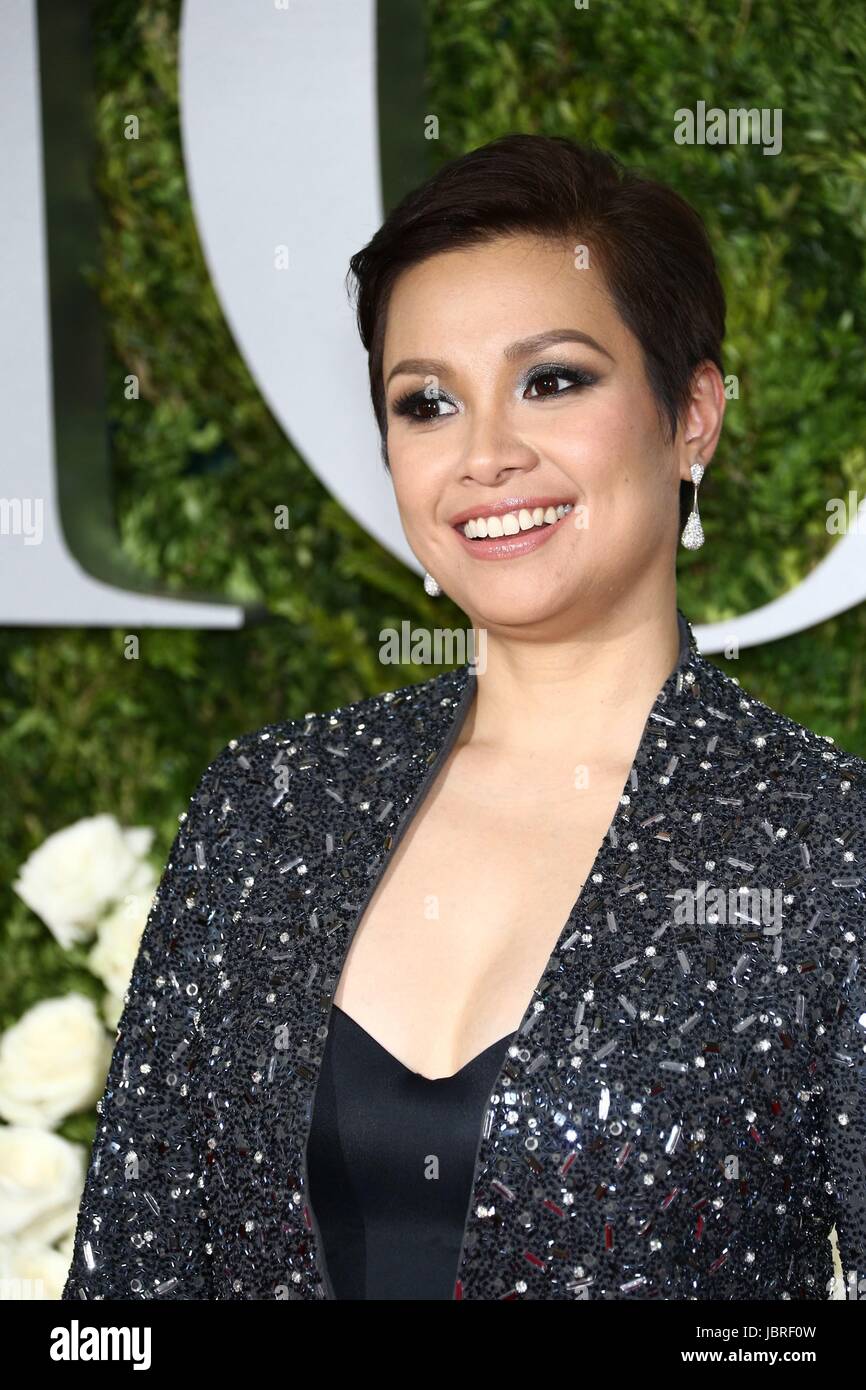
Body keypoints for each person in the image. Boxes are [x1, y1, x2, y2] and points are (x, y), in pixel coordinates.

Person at [62, 134, 866, 1302]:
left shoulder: (822, 847)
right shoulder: (268, 806)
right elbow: (122, 1296)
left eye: (551, 380)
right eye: (426, 401)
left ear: (691, 415)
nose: (486, 456)